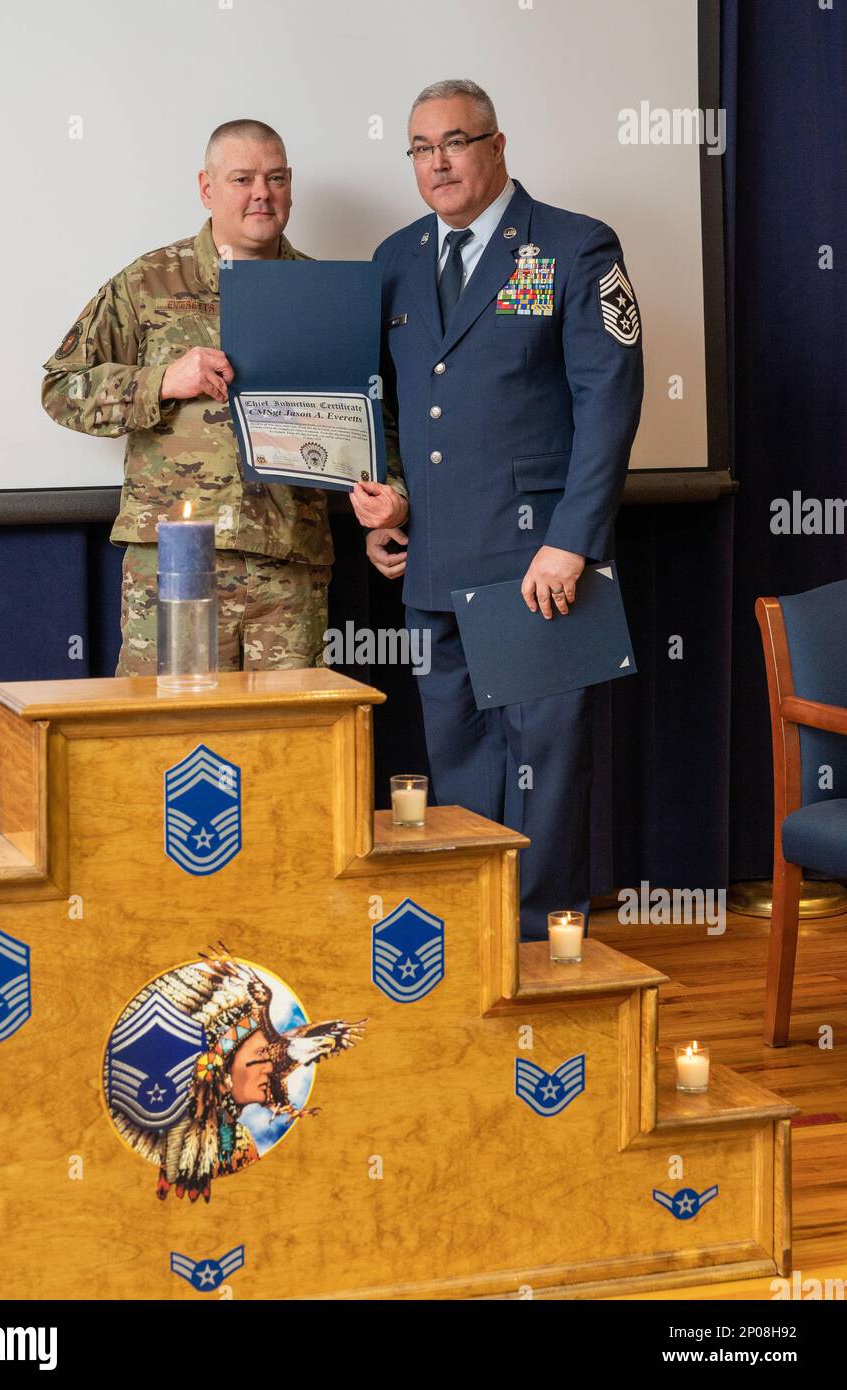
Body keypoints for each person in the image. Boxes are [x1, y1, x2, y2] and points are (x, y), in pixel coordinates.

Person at [356, 79, 643, 940]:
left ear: (497, 144)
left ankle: (542, 954)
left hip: (538, 567)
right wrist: (392, 499)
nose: (436, 163)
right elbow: (397, 407)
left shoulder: (572, 245)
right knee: (458, 771)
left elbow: (608, 403)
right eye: (419, 148)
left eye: (453, 141)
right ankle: (477, 940)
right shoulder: (397, 257)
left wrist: (572, 542)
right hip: (434, 564)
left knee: (544, 771)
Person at [41, 119, 408, 675]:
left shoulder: (327, 293)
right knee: (166, 743)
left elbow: (375, 416)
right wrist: (161, 381)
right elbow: (61, 388)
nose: (262, 193)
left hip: (288, 569)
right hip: (174, 567)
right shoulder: (148, 283)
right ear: (207, 188)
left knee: (287, 748)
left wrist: (390, 502)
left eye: (276, 178)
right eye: (242, 178)